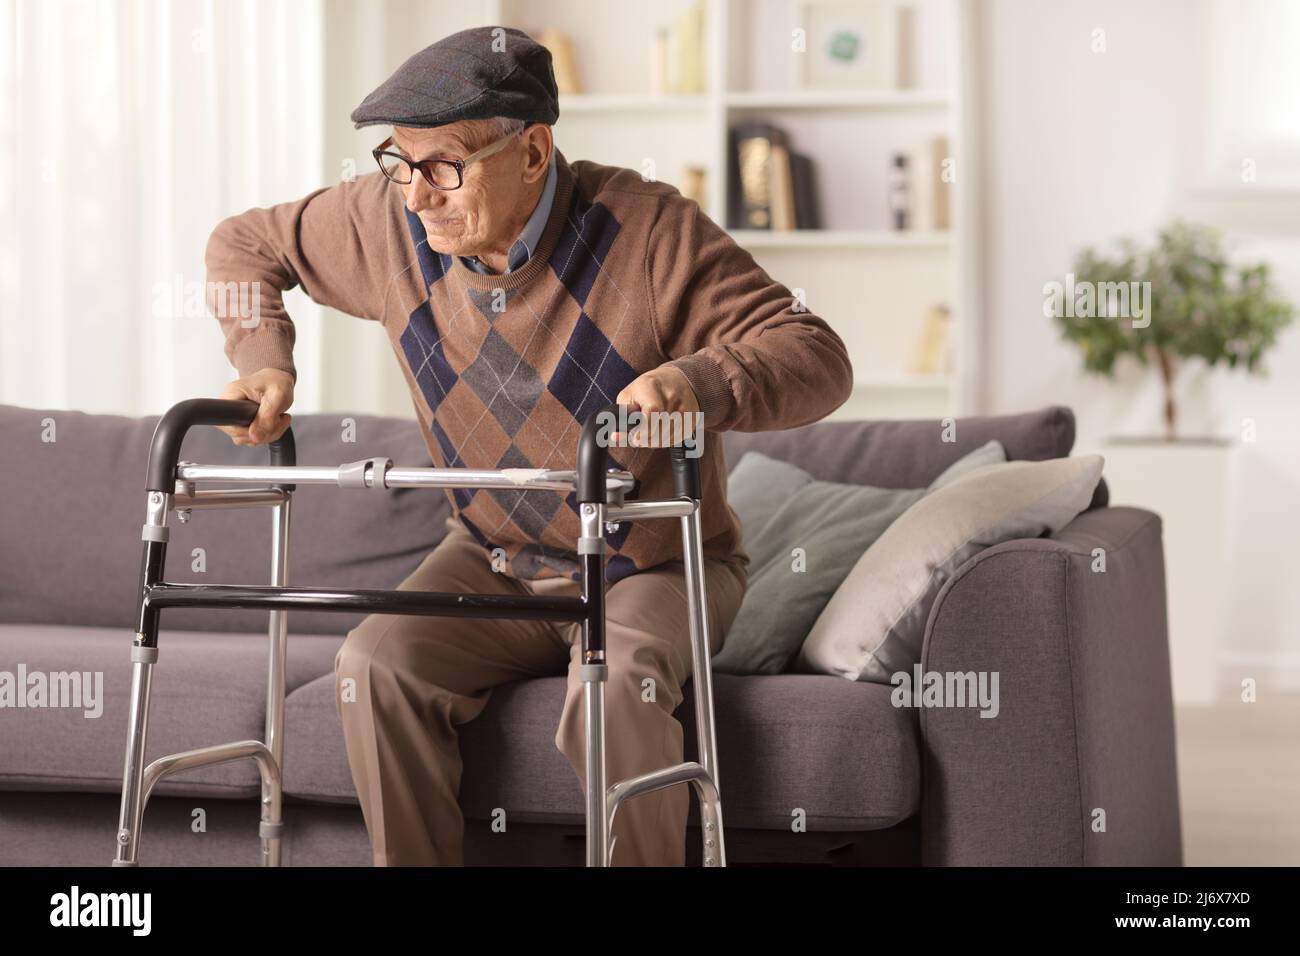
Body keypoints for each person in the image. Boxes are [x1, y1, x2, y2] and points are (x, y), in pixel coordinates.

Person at [205, 25, 853, 866]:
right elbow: (240, 246)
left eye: (442, 166)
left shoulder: (648, 231)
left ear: (534, 151)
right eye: (396, 162)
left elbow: (817, 356)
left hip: (646, 564)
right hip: (491, 557)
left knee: (616, 690)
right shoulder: (389, 226)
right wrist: (262, 363)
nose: (415, 194)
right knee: (373, 666)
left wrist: (697, 382)